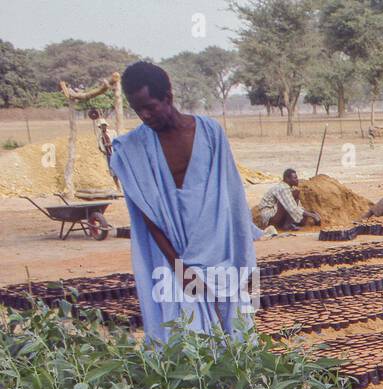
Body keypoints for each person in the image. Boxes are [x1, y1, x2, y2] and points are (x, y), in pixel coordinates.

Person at [110, 61, 257, 344]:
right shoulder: (133, 149)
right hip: (170, 255)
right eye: (137, 109)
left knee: (234, 327)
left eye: (150, 106)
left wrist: (234, 256)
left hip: (218, 251)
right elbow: (147, 217)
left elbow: (231, 201)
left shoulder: (210, 134)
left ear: (168, 97)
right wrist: (180, 267)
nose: (144, 115)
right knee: (185, 337)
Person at [88, 107, 118, 190]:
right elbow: (99, 146)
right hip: (108, 155)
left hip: (115, 153)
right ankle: (117, 186)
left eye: (104, 126)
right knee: (112, 171)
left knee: (119, 169)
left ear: (106, 126)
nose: (103, 127)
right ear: (100, 127)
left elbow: (117, 142)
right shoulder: (100, 136)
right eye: (101, 126)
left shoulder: (112, 133)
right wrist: (103, 150)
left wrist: (110, 144)